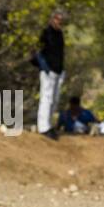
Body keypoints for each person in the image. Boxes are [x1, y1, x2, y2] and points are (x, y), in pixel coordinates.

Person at [36, 9, 66, 139]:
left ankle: (48, 124)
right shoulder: (46, 32)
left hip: (58, 70)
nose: (59, 22)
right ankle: (43, 127)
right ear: (52, 19)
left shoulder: (59, 33)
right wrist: (45, 67)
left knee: (54, 99)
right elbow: (38, 51)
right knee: (46, 98)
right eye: (57, 19)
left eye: (61, 20)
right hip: (48, 70)